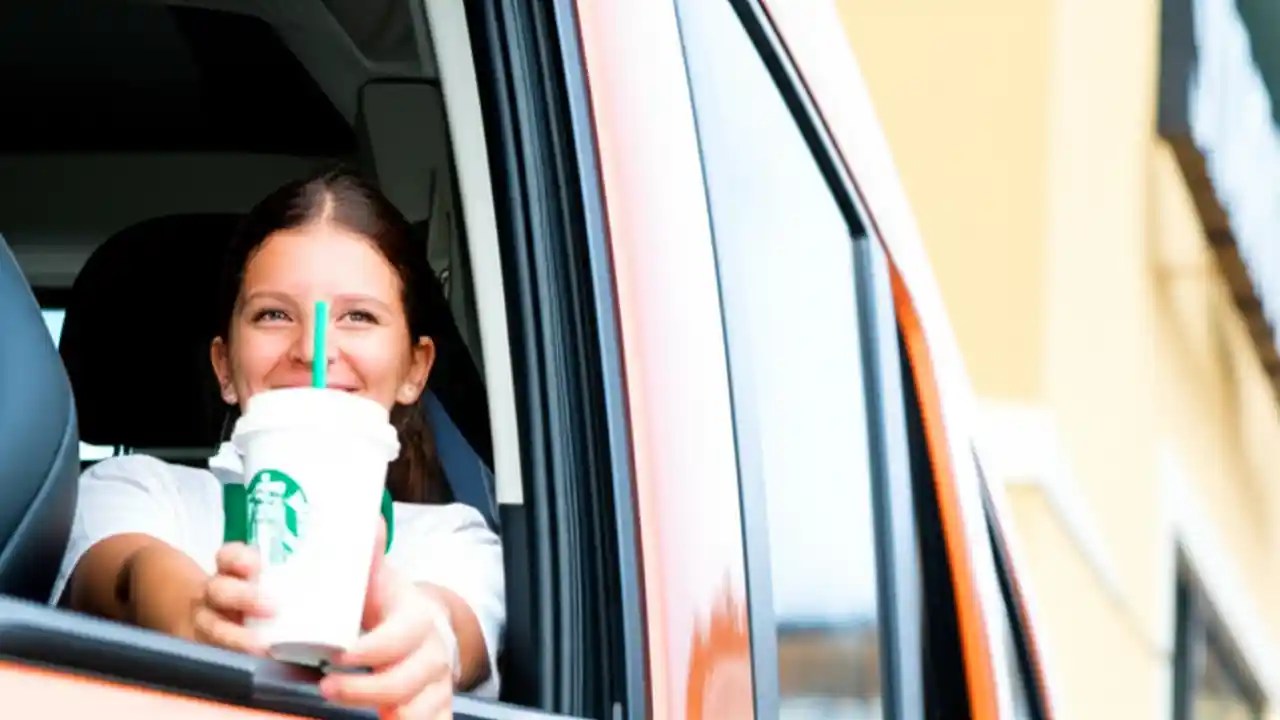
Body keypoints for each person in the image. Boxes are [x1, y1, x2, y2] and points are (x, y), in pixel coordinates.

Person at [50, 167, 504, 718]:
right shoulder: (135, 490)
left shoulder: (453, 539)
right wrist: (194, 614)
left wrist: (422, 640)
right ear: (224, 366)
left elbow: (452, 623)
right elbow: (125, 577)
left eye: (358, 316)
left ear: (415, 368)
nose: (313, 348)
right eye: (273, 314)